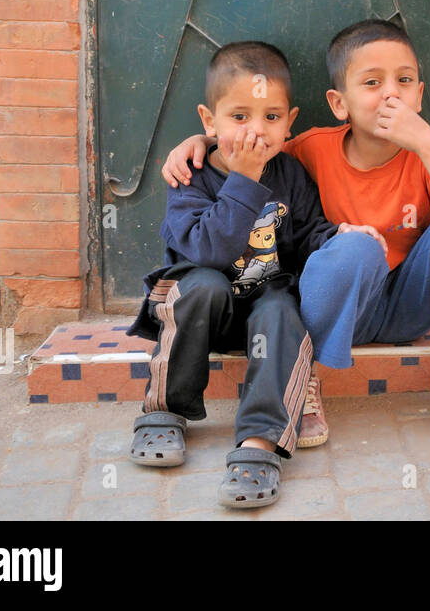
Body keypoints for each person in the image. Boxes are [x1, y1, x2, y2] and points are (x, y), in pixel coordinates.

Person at [162, 19, 430, 444]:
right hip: (336, 308)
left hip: (405, 308)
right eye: (373, 82)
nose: (391, 93)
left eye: (404, 80)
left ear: (419, 93)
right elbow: (251, 144)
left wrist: (429, 143)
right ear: (339, 103)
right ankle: (302, 378)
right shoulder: (310, 148)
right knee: (354, 247)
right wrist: (199, 142)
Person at [127, 41, 338, 509]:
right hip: (208, 308)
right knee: (200, 283)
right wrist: (243, 178)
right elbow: (209, 251)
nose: (255, 131)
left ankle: (260, 442)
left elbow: (307, 236)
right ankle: (165, 410)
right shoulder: (192, 176)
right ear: (209, 121)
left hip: (265, 314)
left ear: (290, 121)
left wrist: (340, 240)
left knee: (284, 304)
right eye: (239, 117)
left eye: (270, 117)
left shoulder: (292, 175)